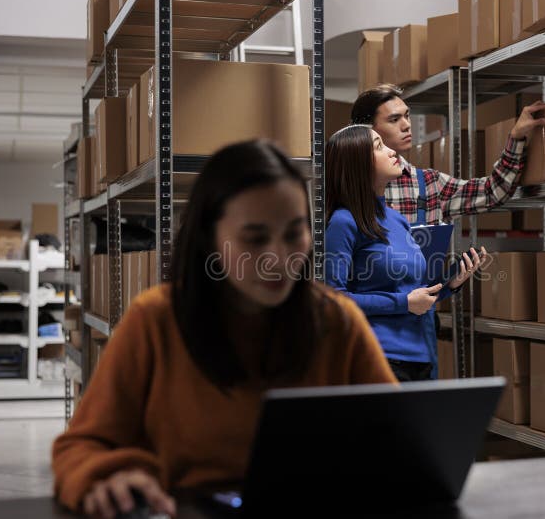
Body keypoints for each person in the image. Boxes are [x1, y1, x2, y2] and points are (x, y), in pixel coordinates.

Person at [52, 140, 396, 518]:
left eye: (295, 232)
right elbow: (81, 446)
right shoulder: (155, 321)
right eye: (255, 238)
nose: (279, 259)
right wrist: (103, 477)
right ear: (209, 238)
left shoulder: (336, 321)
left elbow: (402, 437)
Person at [324, 125, 488, 382]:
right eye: (379, 146)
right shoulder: (344, 222)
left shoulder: (397, 220)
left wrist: (450, 284)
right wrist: (403, 303)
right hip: (376, 356)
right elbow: (334, 301)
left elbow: (414, 294)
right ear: (357, 163)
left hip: (420, 356)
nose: (391, 151)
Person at [350, 84, 545, 226]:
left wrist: (516, 137)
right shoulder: (345, 186)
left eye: (407, 115)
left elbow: (492, 192)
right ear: (367, 130)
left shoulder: (429, 184)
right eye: (394, 119)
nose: (407, 125)